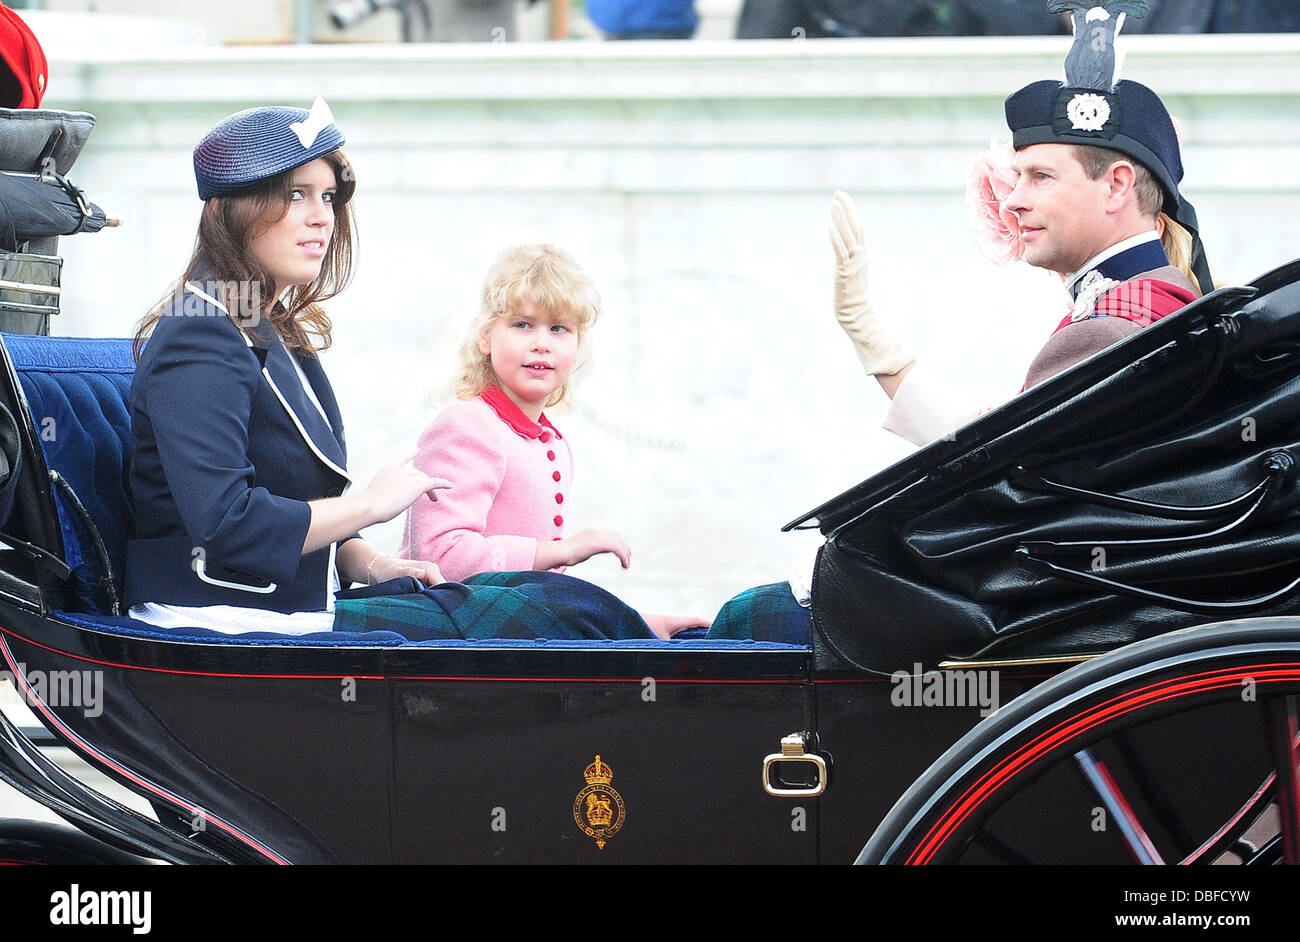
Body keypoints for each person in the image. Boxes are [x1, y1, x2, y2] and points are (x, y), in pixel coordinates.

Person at [716, 0, 1216, 632]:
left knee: (753, 617)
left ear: (1118, 187)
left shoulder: (1112, 324)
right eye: (1014, 178)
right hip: (1076, 607)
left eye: (1039, 177)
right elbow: (1010, 460)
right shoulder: (1149, 299)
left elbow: (1004, 488)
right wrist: (884, 355)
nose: (1012, 200)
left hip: (1044, 619)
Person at [125, 99, 451, 636]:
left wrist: (371, 563)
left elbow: (299, 500)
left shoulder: (267, 324)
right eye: (294, 195)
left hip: (289, 611)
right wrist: (370, 504)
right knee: (554, 615)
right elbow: (229, 525)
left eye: (326, 197)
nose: (322, 215)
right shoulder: (201, 330)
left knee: (541, 601)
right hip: (219, 622)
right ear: (230, 210)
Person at [400, 243, 711, 640]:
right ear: (485, 337)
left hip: (508, 639)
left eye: (559, 328)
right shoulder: (466, 424)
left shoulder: (552, 441)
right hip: (451, 645)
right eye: (523, 325)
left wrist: (635, 624)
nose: (542, 343)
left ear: (578, 346)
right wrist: (561, 552)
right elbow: (441, 559)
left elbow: (537, 600)